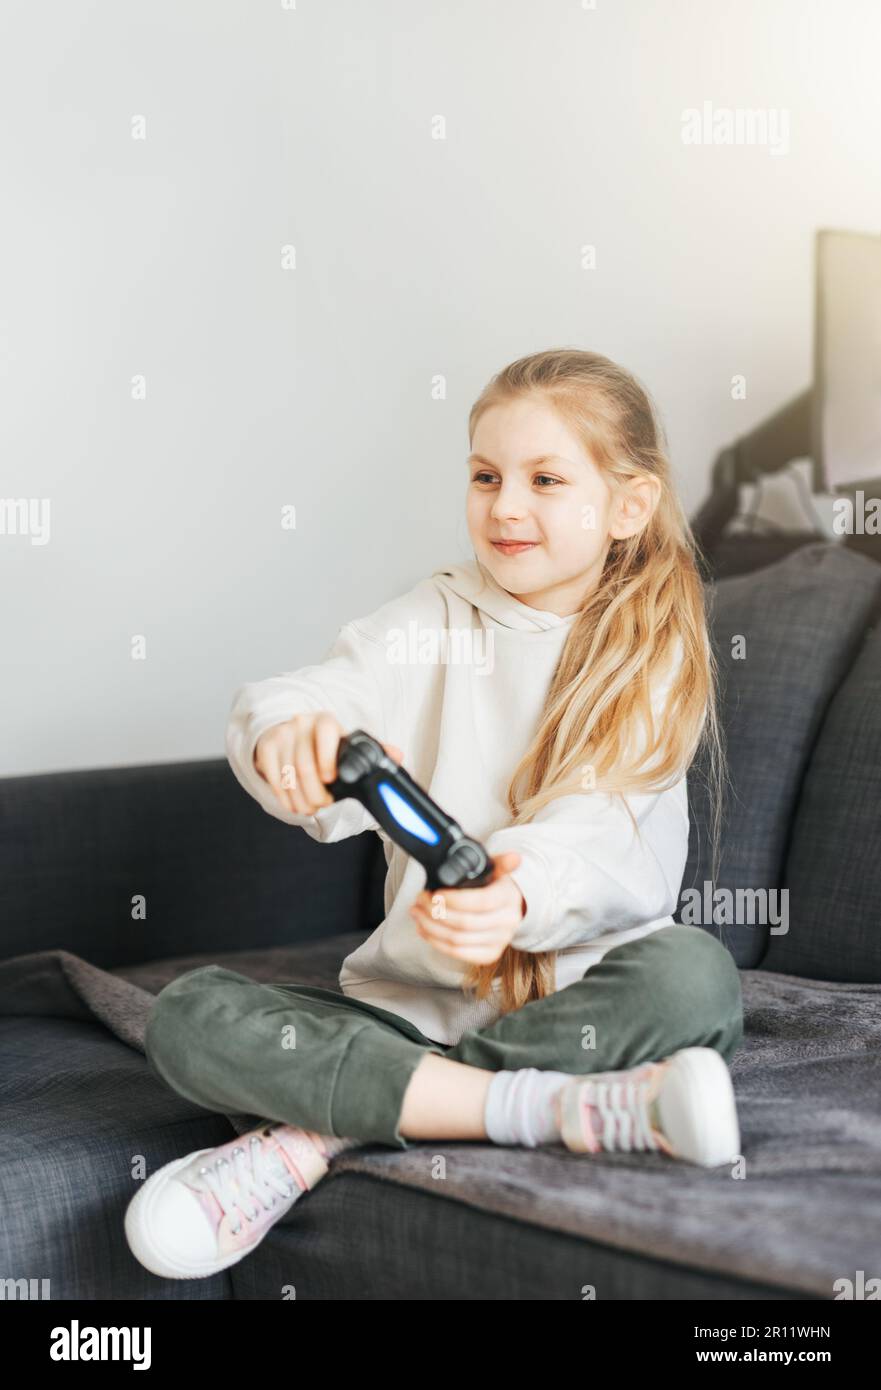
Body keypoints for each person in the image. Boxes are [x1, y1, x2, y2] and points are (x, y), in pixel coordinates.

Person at [125, 348, 742, 1281]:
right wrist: (290, 739)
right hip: (408, 1015)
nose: (504, 506)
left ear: (626, 506)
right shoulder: (435, 617)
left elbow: (610, 838)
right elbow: (306, 691)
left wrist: (516, 895)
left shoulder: (651, 654)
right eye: (486, 476)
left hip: (578, 999)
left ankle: (311, 1137)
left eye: (544, 480)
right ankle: (552, 1109)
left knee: (696, 978)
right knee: (186, 1016)